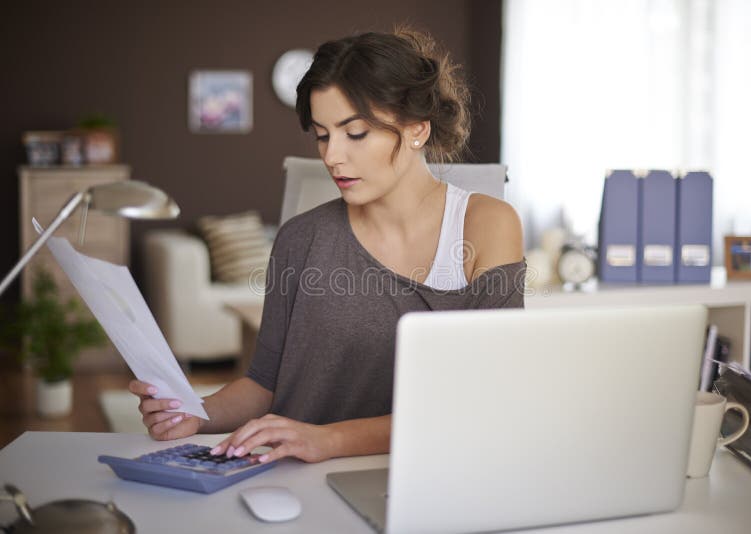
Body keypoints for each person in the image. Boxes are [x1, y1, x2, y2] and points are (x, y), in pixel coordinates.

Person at [130, 29, 526, 465]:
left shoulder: (486, 225)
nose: (332, 156)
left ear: (416, 129)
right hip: (298, 478)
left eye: (354, 133)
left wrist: (329, 440)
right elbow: (265, 385)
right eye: (322, 135)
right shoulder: (301, 239)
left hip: (432, 477)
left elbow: (487, 397)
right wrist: (193, 414)